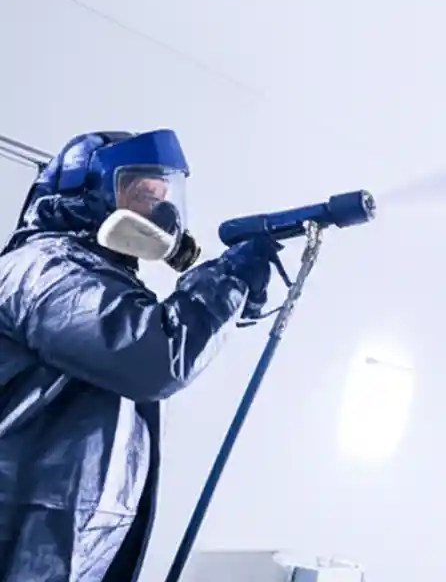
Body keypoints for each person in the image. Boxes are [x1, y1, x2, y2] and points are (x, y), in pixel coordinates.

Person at [0, 130, 282, 582]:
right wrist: (227, 281)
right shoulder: (47, 267)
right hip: (21, 537)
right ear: (86, 192)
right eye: (146, 195)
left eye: (166, 198)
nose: (164, 214)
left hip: (61, 544)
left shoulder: (106, 282)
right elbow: (153, 357)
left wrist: (233, 296)